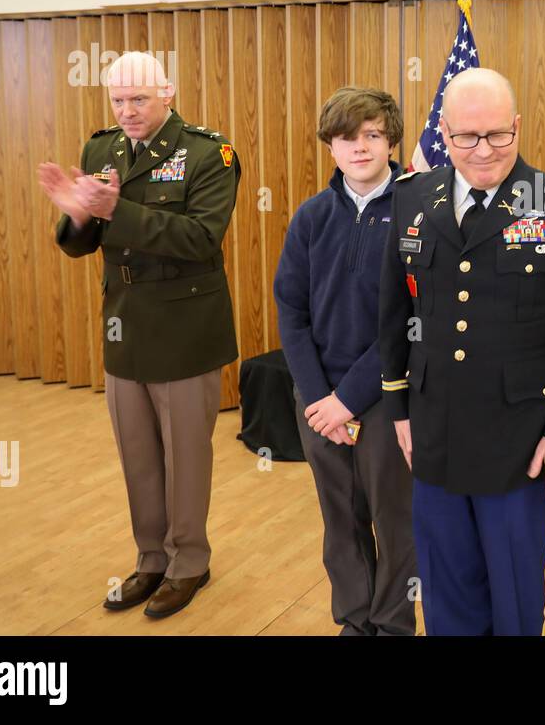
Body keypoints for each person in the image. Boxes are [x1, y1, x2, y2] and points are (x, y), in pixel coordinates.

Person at [377, 67, 545, 636]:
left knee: (517, 600)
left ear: (518, 126)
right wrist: (399, 407)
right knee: (446, 591)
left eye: (498, 135)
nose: (483, 151)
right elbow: (394, 313)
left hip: (523, 443)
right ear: (443, 132)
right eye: (466, 137)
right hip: (435, 435)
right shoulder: (412, 198)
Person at [37, 51, 241, 619]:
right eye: (118, 100)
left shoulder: (208, 152)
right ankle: (151, 559)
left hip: (185, 327)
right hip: (125, 325)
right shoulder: (100, 149)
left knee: (185, 457)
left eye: (139, 99)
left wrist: (113, 209)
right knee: (139, 456)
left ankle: (189, 564)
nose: (126, 111)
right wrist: (78, 216)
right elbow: (81, 244)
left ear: (168, 92)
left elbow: (201, 238)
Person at [273, 86, 417, 636]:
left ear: (390, 141)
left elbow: (412, 317)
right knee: (341, 518)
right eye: (345, 138)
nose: (359, 148)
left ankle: (393, 624)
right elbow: (291, 307)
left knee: (393, 518)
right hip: (318, 399)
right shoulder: (312, 217)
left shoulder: (418, 210)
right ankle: (355, 620)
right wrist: (317, 397)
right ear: (330, 147)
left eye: (372, 135)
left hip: (387, 395)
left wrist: (348, 399)